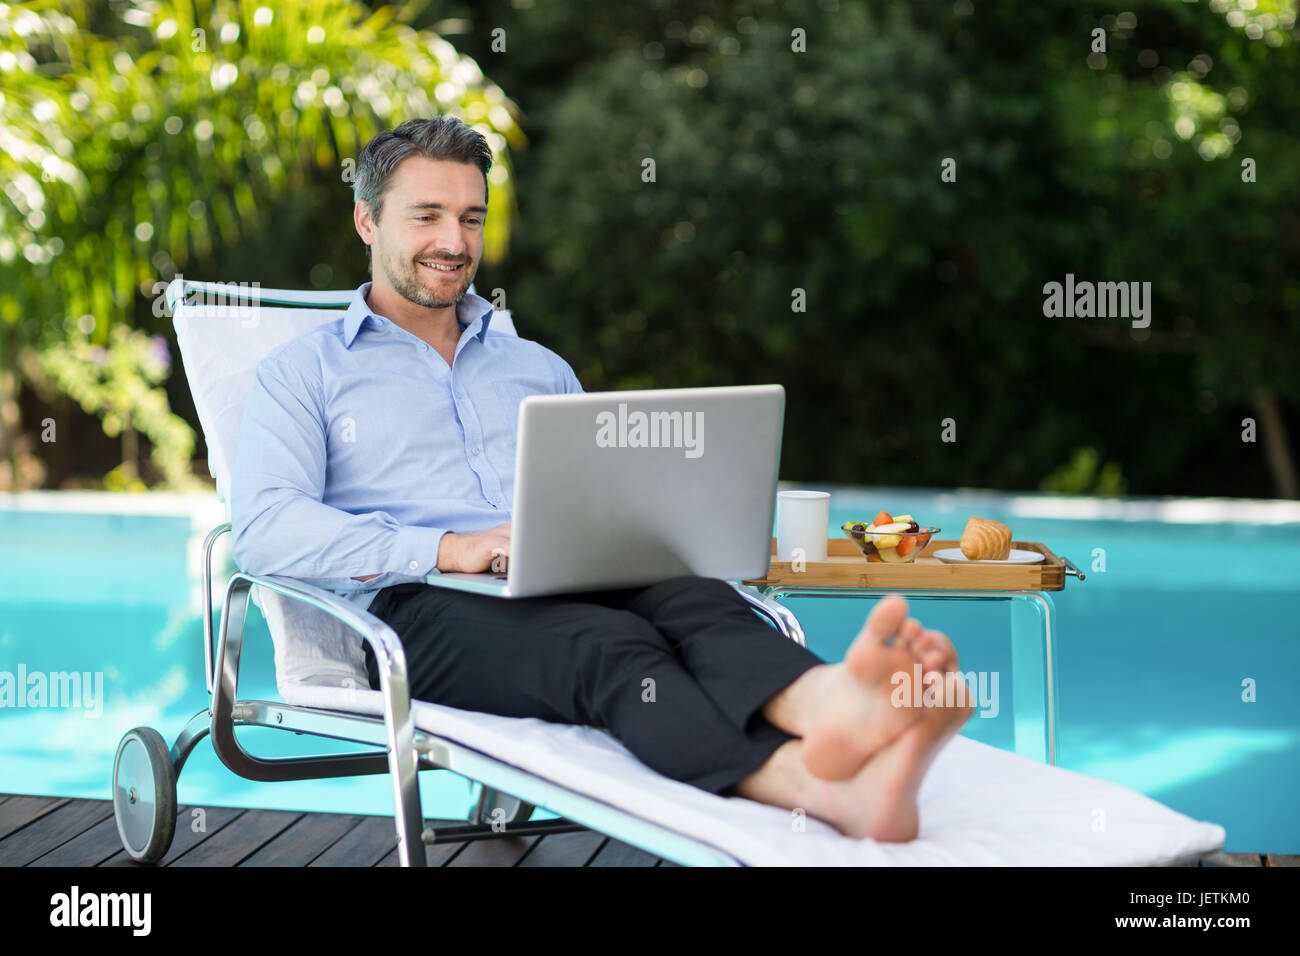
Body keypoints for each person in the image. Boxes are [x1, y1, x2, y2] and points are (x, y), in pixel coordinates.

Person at [231, 117, 973, 842]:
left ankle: (831, 703)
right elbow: (264, 530)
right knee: (609, 648)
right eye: (426, 216)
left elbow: (605, 496)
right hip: (417, 609)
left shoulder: (538, 367)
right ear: (366, 221)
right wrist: (449, 547)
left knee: (699, 601)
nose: (454, 243)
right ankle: (826, 790)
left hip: (563, 573)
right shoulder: (304, 374)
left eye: (471, 218)